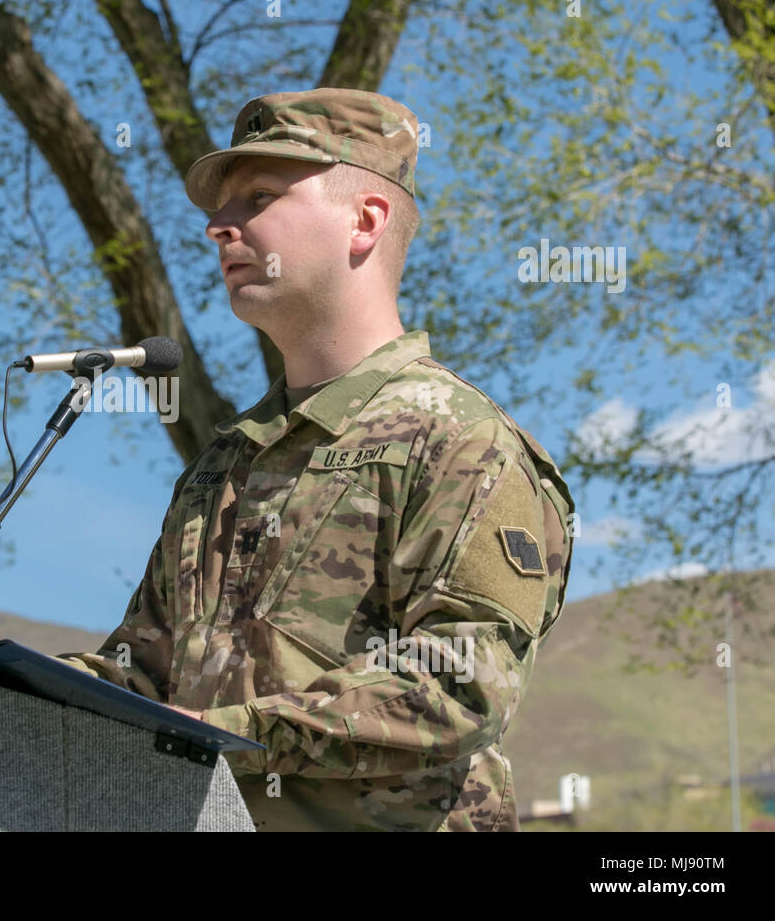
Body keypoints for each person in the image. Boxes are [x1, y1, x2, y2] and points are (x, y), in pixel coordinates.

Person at [54, 87, 575, 831]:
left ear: (365, 221)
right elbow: (142, 677)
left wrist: (223, 739)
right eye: (223, 207)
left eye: (260, 196)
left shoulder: (458, 440)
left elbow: (461, 686)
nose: (218, 227)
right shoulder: (222, 466)